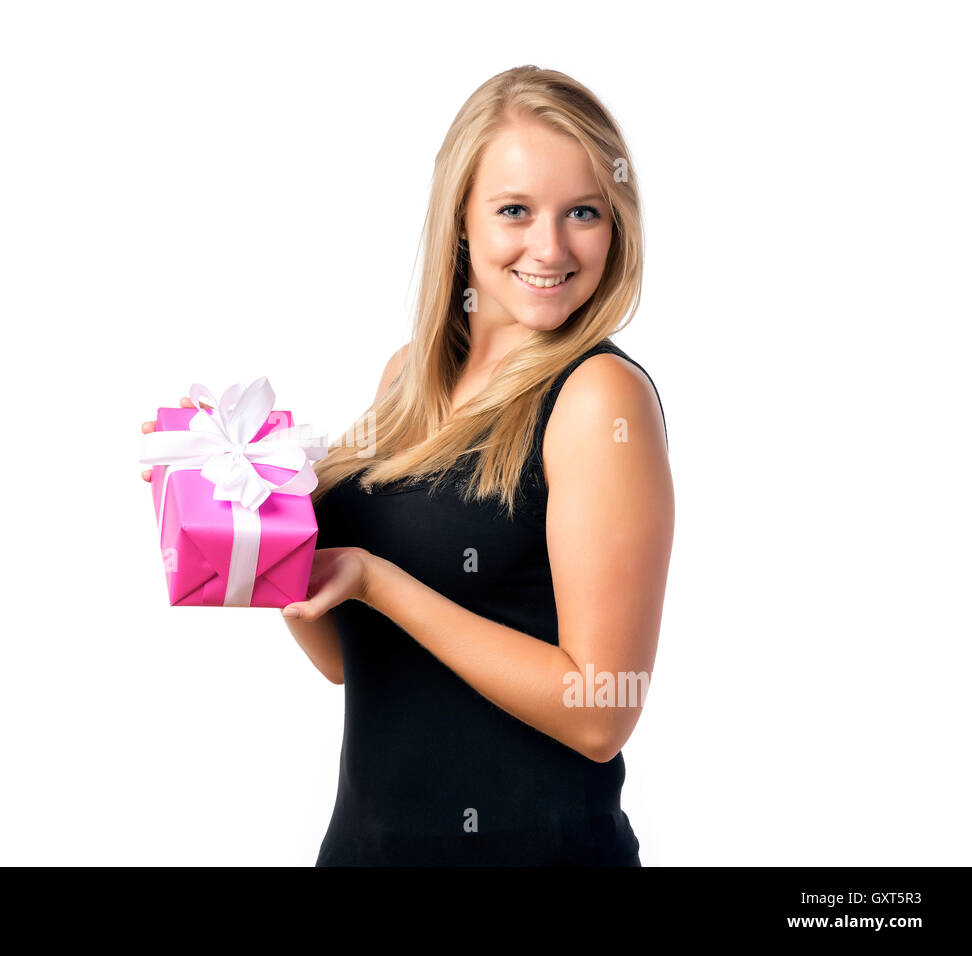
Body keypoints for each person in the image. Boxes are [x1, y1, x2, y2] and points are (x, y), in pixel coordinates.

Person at [142, 65, 672, 866]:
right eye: (515, 211)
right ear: (461, 219)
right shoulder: (409, 378)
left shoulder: (599, 398)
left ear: (616, 225)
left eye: (584, 213)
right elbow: (347, 663)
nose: (551, 246)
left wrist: (378, 580)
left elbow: (600, 713)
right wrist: (248, 534)